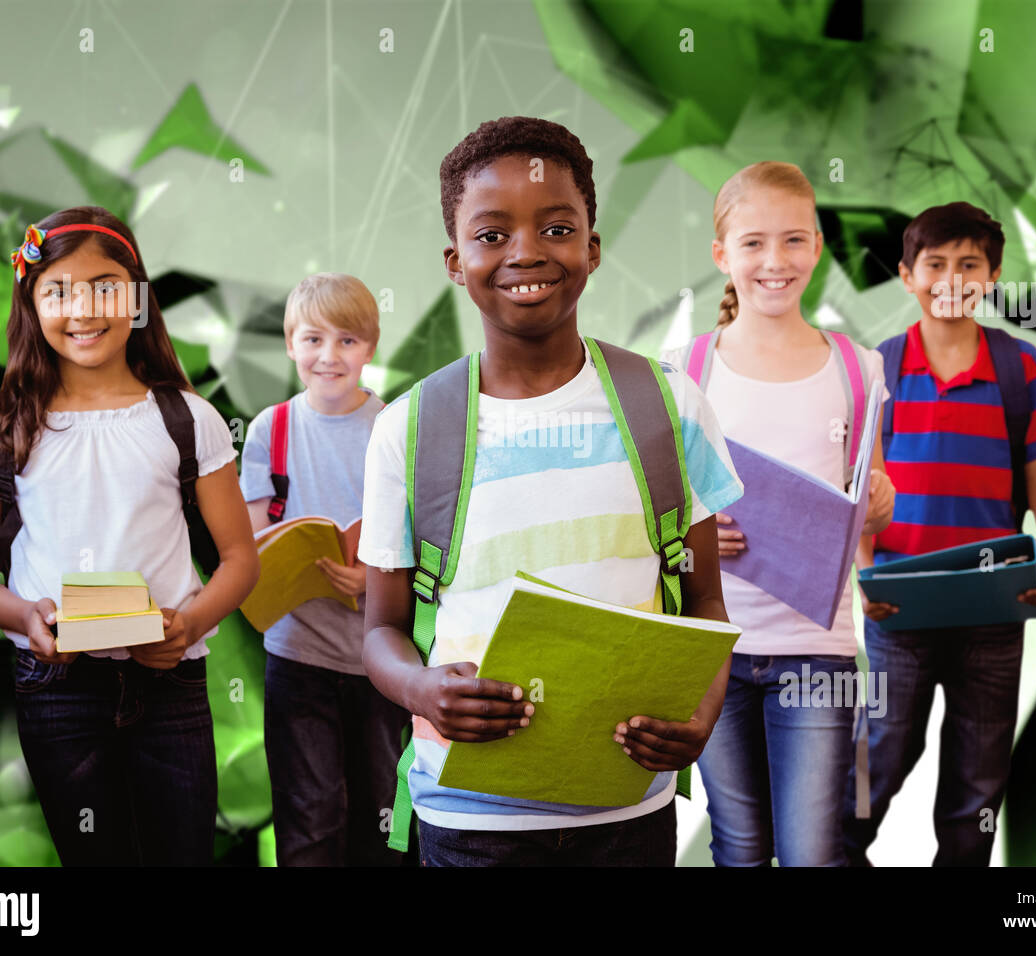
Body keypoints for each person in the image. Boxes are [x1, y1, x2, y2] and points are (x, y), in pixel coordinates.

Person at [358, 116, 745, 866]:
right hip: (473, 823)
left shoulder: (669, 406)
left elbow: (703, 602)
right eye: (492, 234)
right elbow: (381, 631)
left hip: (628, 809)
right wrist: (420, 689)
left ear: (592, 248)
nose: (526, 252)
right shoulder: (407, 430)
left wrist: (702, 710)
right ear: (454, 259)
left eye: (557, 227)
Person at [0, 206, 259, 865]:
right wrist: (27, 616)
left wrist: (190, 623)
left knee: (182, 853)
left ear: (138, 297)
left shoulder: (188, 417)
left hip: (170, 681)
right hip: (54, 684)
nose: (82, 308)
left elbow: (238, 559)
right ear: (31, 303)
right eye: (57, 290)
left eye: (104, 286)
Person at [662, 161, 894, 866]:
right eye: (753, 243)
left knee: (811, 854)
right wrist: (695, 538)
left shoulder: (858, 367)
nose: (774, 261)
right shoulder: (683, 369)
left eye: (793, 241)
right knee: (739, 848)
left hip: (815, 650)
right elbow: (657, 520)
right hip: (713, 650)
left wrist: (880, 502)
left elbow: (868, 493)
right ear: (721, 256)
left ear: (818, 247)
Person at [843, 201, 1036, 866]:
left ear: (992, 277)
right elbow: (864, 482)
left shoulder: (1017, 366)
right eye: (935, 264)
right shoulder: (878, 368)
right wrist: (865, 568)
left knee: (980, 773)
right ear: (908, 274)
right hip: (899, 603)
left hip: (995, 607)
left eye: (968, 264)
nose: (951, 278)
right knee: (881, 750)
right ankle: (833, 852)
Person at [239, 273, 408, 866]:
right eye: (312, 340)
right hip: (297, 659)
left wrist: (370, 580)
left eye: (347, 341)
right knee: (308, 817)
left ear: (370, 347)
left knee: (382, 811)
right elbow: (253, 545)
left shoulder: (394, 428)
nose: (328, 357)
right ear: (290, 345)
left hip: (379, 660)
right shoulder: (270, 430)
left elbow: (423, 547)